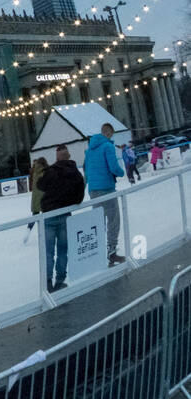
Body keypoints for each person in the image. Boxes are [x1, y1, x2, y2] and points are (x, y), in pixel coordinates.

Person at [39, 143, 85, 292]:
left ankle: (47, 282)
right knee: (63, 250)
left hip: (50, 215)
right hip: (65, 214)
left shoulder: (51, 171)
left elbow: (40, 185)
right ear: (69, 156)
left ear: (57, 157)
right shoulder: (76, 174)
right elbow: (79, 197)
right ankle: (60, 280)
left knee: (48, 251)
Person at [83, 123, 127, 266]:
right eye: (111, 134)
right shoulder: (108, 146)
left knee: (98, 222)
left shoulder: (89, 150)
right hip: (106, 189)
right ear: (108, 133)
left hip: (93, 190)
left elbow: (87, 170)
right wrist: (121, 173)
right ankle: (111, 252)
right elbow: (114, 167)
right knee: (113, 220)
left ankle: (99, 253)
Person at [23, 157, 48, 244]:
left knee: (34, 216)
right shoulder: (45, 172)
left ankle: (28, 231)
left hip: (35, 199)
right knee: (47, 216)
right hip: (44, 198)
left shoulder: (34, 172)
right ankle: (46, 234)